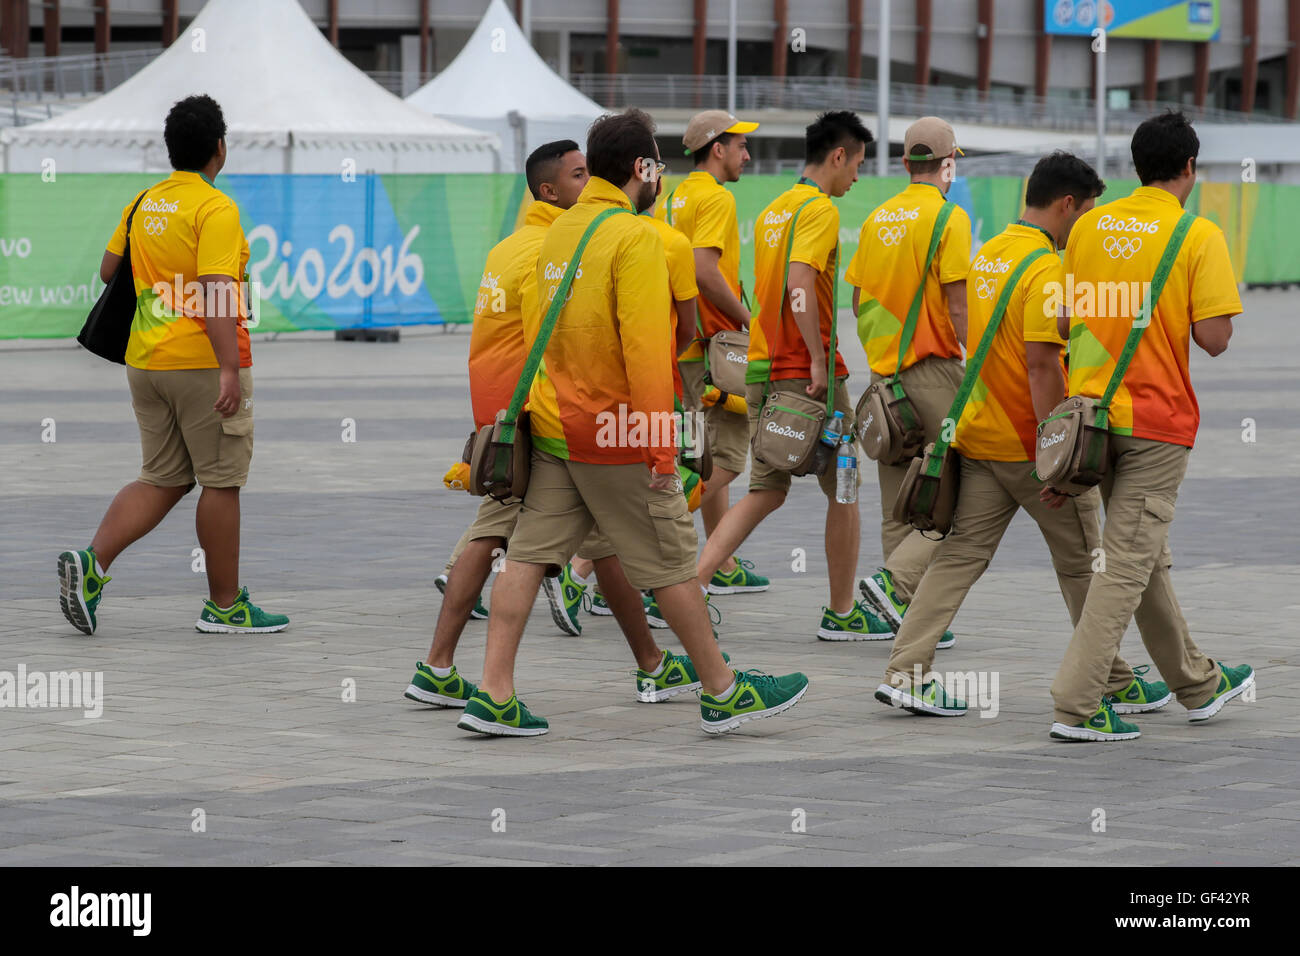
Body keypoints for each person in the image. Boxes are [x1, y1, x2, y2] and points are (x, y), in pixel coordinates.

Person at [458, 109, 809, 737]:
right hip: (619, 433)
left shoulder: (559, 231)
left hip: (557, 425)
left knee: (528, 557)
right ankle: (723, 691)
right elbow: (648, 352)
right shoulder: (637, 239)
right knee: (671, 562)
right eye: (657, 165)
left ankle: (493, 694)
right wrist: (661, 447)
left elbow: (536, 328)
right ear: (642, 168)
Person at [876, 151, 1168, 718]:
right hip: (1025, 450)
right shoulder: (1046, 271)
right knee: (1086, 565)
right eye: (1088, 212)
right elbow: (1041, 366)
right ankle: (1110, 679)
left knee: (959, 556)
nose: (1090, 223)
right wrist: (1058, 455)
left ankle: (904, 672)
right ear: (1067, 205)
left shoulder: (992, 255)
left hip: (980, 440)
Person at [1049, 112, 1254, 741]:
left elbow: (1063, 322)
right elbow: (1213, 338)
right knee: (1129, 564)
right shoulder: (1198, 236)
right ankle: (1077, 703)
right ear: (1189, 167)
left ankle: (1197, 683)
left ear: (1137, 166)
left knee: (1144, 557)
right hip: (1156, 423)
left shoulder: (1087, 229)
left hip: (1092, 421)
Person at [57, 94, 288, 636]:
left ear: (170, 149)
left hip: (145, 361)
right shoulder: (215, 207)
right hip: (201, 364)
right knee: (222, 481)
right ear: (219, 149)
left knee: (162, 477)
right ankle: (225, 605)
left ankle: (92, 564)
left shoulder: (146, 199)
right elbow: (215, 288)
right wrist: (229, 370)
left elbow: (108, 268)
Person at [404, 141, 590, 706]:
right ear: (549, 191)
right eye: (580, 175)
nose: (591, 184)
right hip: (536, 421)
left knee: (490, 537)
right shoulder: (547, 251)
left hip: (502, 418)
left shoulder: (507, 246)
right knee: (524, 541)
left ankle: (437, 667)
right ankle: (660, 667)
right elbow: (552, 340)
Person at [695, 110, 875, 640]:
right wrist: (820, 359)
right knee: (844, 486)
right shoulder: (817, 210)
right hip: (808, 376)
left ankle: (692, 585)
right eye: (857, 164)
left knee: (767, 489)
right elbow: (799, 285)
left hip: (760, 368)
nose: (858, 178)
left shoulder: (776, 209)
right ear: (837, 156)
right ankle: (842, 613)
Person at [849, 116, 972, 648]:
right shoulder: (949, 218)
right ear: (947, 165)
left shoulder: (878, 218)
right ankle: (896, 587)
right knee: (963, 494)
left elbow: (856, 300)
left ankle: (904, 613)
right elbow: (959, 303)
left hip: (884, 380)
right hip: (936, 372)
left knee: (898, 497)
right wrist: (980, 366)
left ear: (905, 163)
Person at [653, 110, 770, 597]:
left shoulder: (676, 195)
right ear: (716, 149)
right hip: (714, 349)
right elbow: (704, 271)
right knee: (728, 460)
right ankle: (603, 558)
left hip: (681, 343)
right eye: (740, 145)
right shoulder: (717, 198)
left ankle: (718, 563)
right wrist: (750, 322)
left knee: (699, 456)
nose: (747, 154)